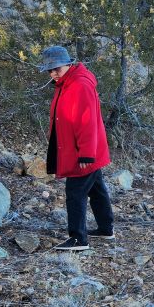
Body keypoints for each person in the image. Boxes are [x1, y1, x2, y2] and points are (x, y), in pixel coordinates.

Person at [39, 45, 114, 251]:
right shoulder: (66, 82)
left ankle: (78, 239)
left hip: (84, 152)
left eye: (56, 68)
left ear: (68, 63)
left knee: (75, 192)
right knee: (97, 189)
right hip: (82, 150)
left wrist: (87, 155)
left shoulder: (79, 85)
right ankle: (106, 229)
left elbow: (87, 122)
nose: (53, 73)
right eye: (49, 70)